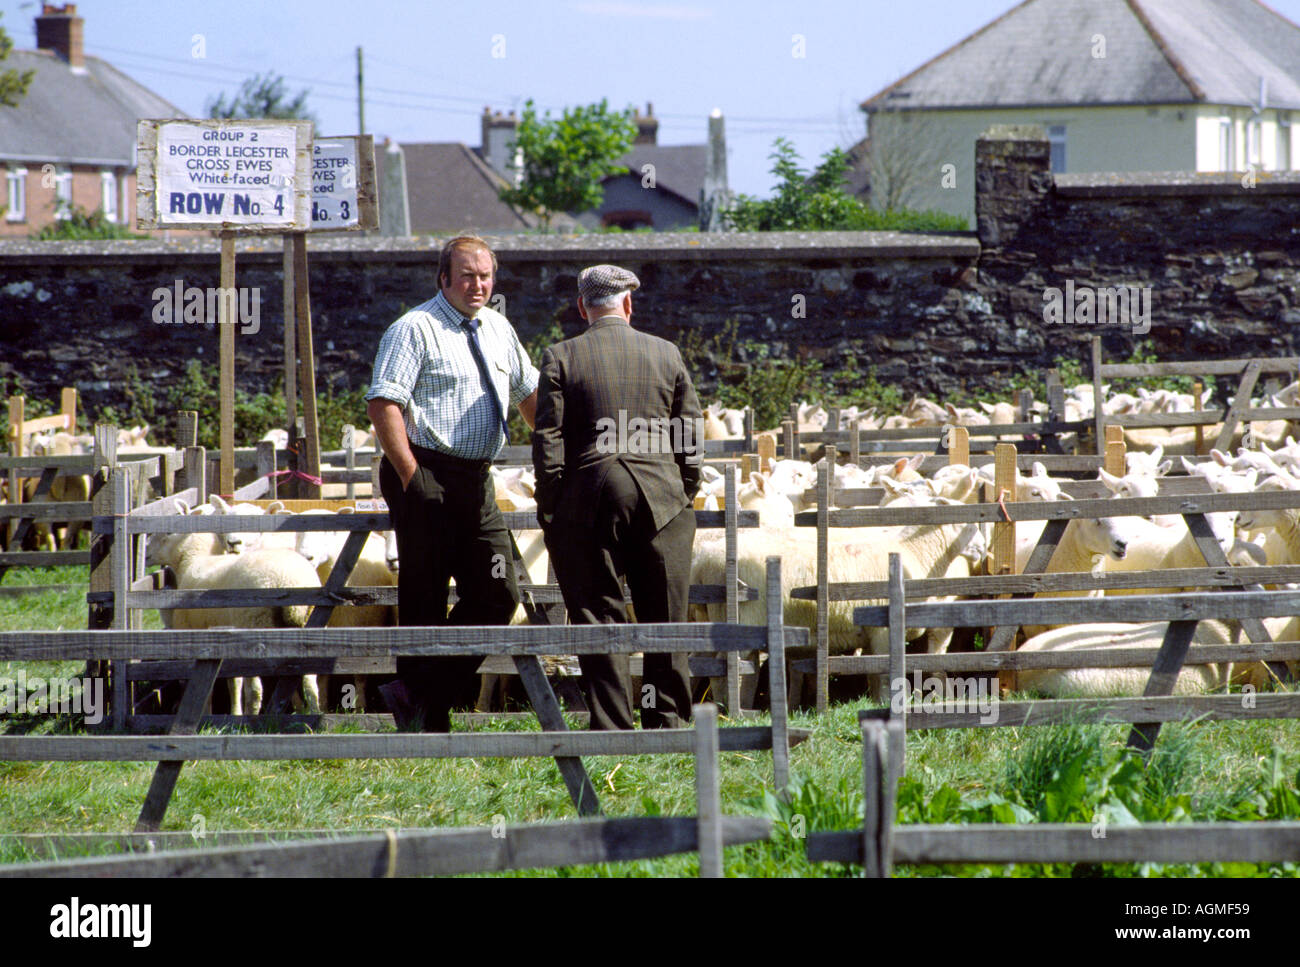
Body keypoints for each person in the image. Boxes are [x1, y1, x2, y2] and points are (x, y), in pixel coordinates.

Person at [365, 235, 538, 732]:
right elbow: (384, 404)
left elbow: (528, 395)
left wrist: (558, 447)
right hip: (424, 471)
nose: (477, 284)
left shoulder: (498, 327)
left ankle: (417, 693)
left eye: (485, 275)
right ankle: (428, 718)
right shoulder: (414, 328)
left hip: (476, 479)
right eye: (466, 275)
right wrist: (411, 476)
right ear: (443, 278)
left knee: (498, 592)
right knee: (424, 594)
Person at [532, 264, 703, 730]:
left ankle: (611, 723)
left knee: (596, 612)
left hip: (587, 497)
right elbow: (688, 432)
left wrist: (552, 503)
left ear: (583, 307)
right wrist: (682, 490)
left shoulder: (561, 356)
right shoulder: (666, 354)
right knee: (665, 613)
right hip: (661, 497)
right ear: (628, 304)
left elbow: (548, 438)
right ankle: (667, 719)